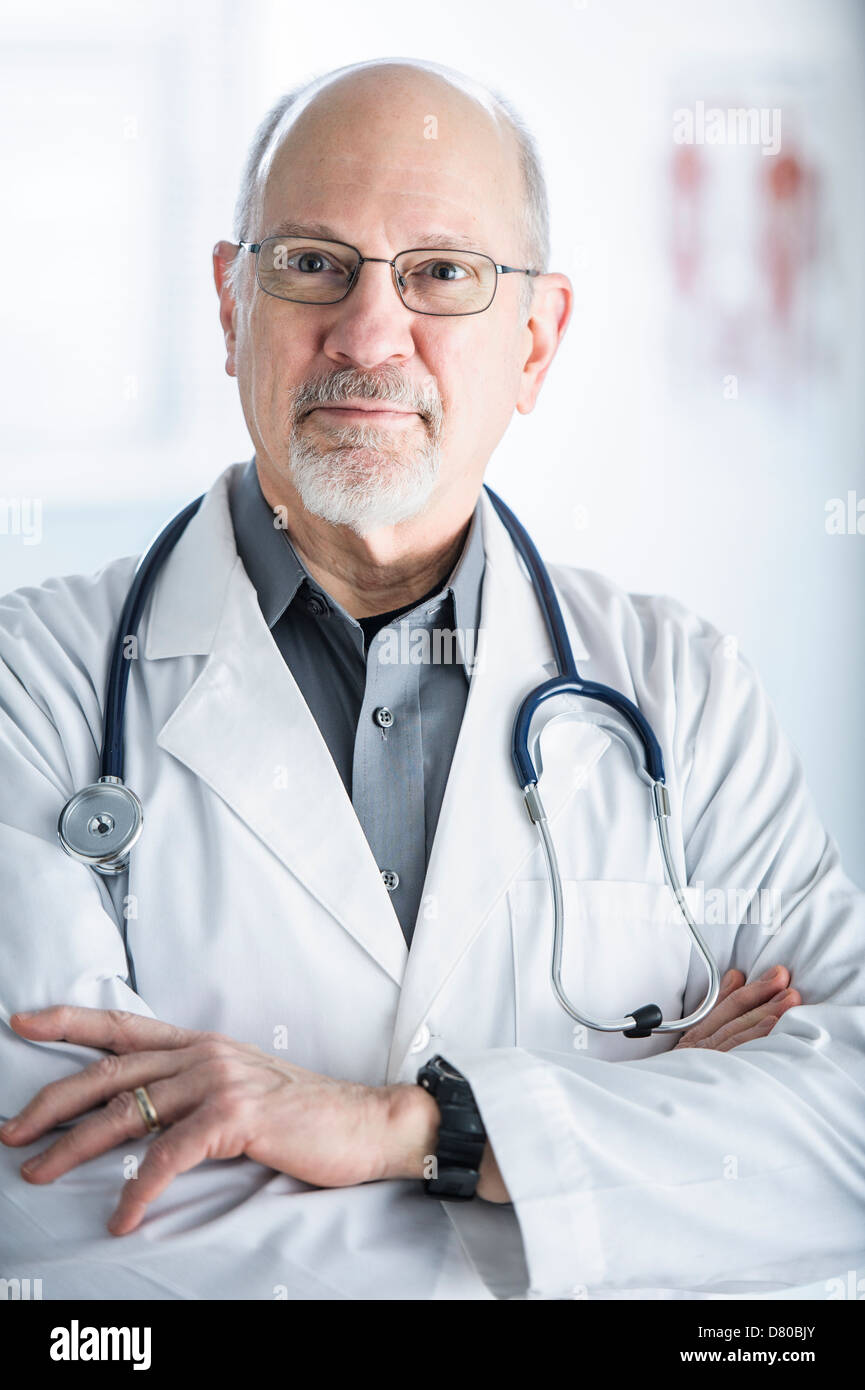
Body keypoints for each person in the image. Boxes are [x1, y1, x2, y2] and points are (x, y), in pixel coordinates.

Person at [0, 58, 862, 1302]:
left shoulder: (686, 690)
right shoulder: (34, 687)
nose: (366, 333)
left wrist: (418, 1130)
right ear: (229, 299)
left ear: (536, 337)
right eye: (310, 262)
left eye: (441, 274)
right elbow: (68, 1227)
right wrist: (619, 1156)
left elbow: (844, 1145)